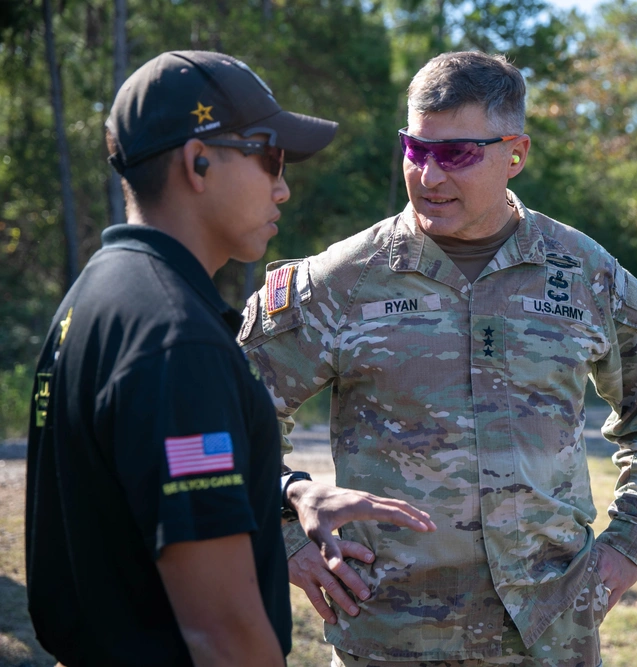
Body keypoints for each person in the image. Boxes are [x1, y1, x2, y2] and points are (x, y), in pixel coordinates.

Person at [241, 51, 637, 666]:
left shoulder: (587, 276)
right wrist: (284, 532)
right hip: (392, 637)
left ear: (516, 154)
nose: (429, 176)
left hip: (549, 636)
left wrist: (626, 550)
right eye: (416, 149)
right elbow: (228, 421)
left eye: (457, 154)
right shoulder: (341, 282)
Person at [25, 50, 434, 667]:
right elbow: (222, 633)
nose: (284, 187)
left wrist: (288, 490)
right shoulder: (175, 339)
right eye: (271, 158)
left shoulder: (100, 296)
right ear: (198, 162)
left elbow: (145, 484)